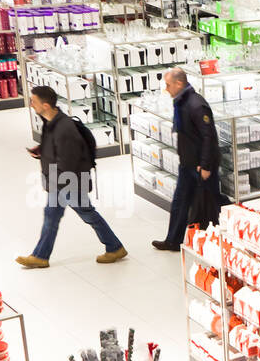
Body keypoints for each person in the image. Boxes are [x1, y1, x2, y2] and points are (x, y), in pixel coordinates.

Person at [16, 86, 126, 269]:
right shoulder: (50, 121)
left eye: (33, 101)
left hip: (68, 182)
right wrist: (43, 152)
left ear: (45, 105)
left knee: (87, 214)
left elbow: (69, 161)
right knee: (53, 216)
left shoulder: (64, 128)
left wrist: (57, 185)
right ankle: (40, 256)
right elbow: (58, 150)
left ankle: (115, 247)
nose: (31, 105)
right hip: (61, 181)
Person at [152, 68, 220, 252]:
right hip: (187, 164)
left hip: (201, 166)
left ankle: (217, 241)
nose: (166, 89)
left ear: (179, 84)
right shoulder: (181, 102)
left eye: (168, 85)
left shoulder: (196, 105)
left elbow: (209, 137)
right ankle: (173, 241)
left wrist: (205, 166)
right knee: (179, 203)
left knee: (211, 205)